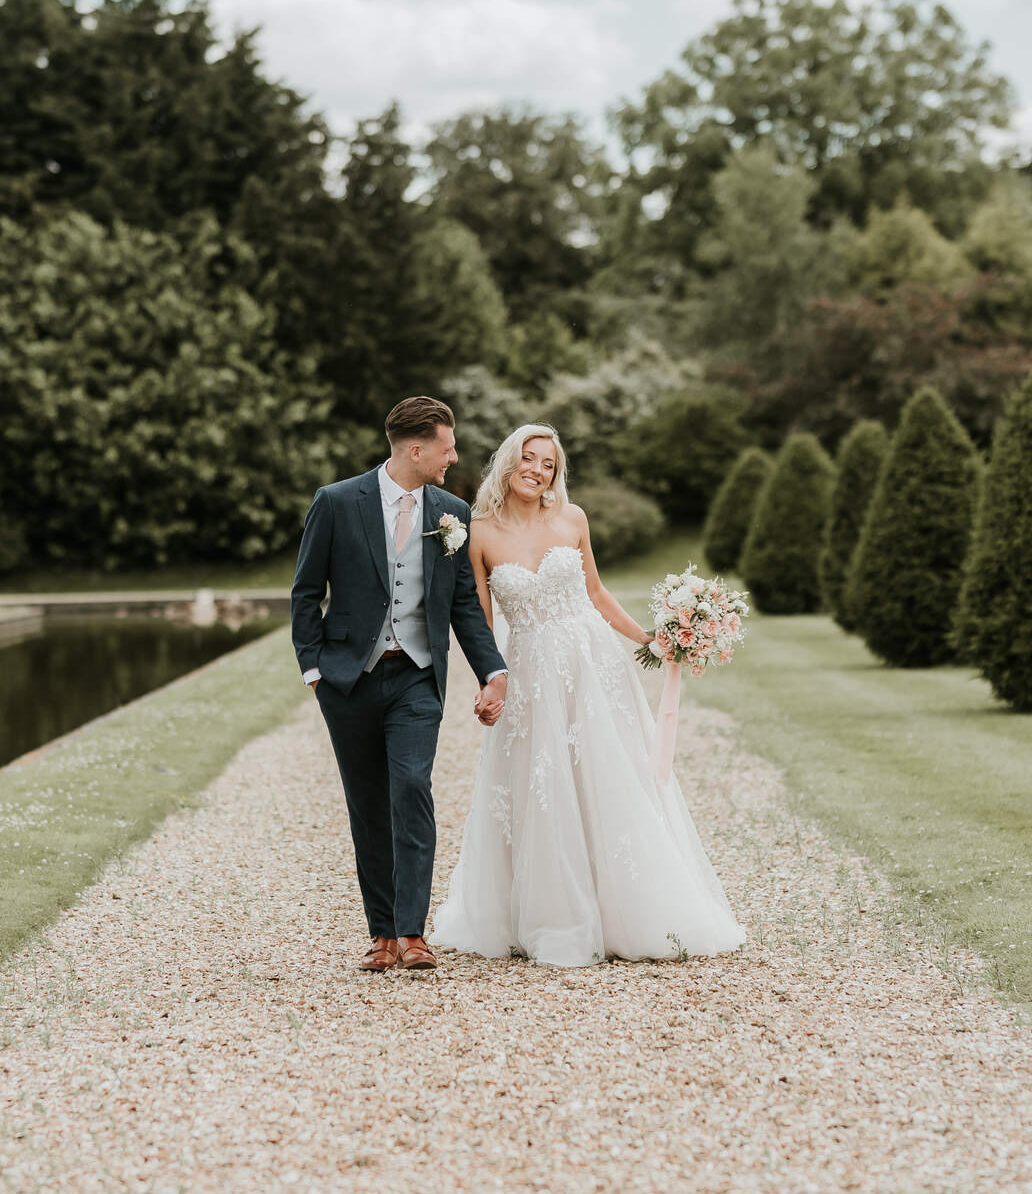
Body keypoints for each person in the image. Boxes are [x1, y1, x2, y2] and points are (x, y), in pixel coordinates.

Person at [431, 423, 744, 967]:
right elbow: (479, 621)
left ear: (557, 473)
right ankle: (550, 914)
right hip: (527, 669)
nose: (537, 470)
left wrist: (653, 639)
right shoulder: (478, 532)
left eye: (548, 464)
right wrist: (489, 680)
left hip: (591, 665)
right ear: (509, 462)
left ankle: (626, 908)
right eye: (528, 459)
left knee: (608, 777)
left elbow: (596, 593)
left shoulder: (572, 520)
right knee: (538, 785)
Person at [291, 396, 508, 972]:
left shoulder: (450, 511)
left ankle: (413, 934)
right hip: (349, 681)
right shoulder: (337, 502)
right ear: (416, 449)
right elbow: (306, 591)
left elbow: (463, 604)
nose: (454, 455)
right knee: (367, 803)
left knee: (411, 788)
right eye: (447, 446)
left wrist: (494, 669)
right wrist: (314, 669)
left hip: (416, 676)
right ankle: (381, 934)